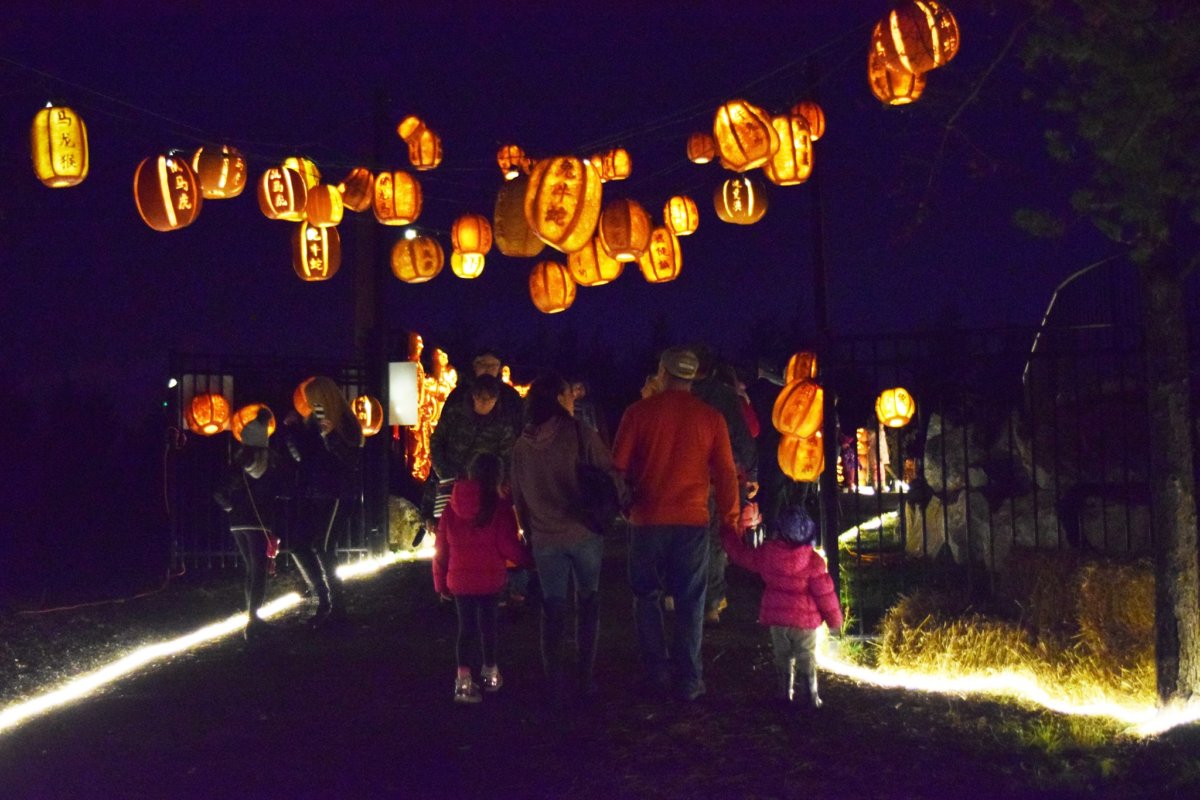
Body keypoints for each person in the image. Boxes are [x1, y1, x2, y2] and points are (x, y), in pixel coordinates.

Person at [611, 347, 740, 702]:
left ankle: (656, 672)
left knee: (646, 596)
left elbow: (617, 469)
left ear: (663, 373)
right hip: (692, 520)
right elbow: (726, 473)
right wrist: (730, 519)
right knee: (691, 599)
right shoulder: (711, 418)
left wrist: (623, 506)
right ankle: (689, 678)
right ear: (692, 378)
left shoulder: (637, 413)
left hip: (646, 519)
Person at [510, 372, 623, 706]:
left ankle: (553, 679)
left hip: (545, 538)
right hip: (584, 532)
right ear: (559, 398)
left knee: (552, 608)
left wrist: (529, 531)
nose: (573, 398)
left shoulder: (520, 446)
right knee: (588, 602)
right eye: (568, 394)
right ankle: (585, 677)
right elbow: (607, 470)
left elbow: (518, 496)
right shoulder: (578, 433)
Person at [721, 503, 843, 709]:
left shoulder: (767, 554)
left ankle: (784, 692)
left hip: (777, 619)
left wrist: (728, 535)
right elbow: (825, 594)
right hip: (805, 621)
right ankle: (811, 695)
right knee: (806, 656)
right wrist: (834, 620)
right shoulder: (813, 561)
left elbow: (742, 556)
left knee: (782, 656)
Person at [432, 452, 532, 704]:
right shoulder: (499, 509)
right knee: (489, 626)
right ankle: (490, 673)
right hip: (489, 580)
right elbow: (508, 546)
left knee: (465, 629)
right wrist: (530, 559)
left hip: (460, 582)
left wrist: (440, 583)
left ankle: (463, 681)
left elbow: (441, 549)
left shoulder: (451, 508)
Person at [284, 376, 363, 627]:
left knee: (325, 546)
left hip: (339, 492)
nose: (308, 403)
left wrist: (331, 436)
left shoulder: (346, 422)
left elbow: (351, 459)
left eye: (313, 399)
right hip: (315, 491)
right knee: (299, 543)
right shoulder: (311, 423)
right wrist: (292, 430)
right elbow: (304, 457)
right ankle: (323, 598)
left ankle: (337, 606)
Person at [691, 345, 759, 626]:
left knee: (689, 537)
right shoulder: (724, 396)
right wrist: (752, 470)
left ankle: (684, 595)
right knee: (716, 539)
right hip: (720, 473)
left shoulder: (680, 395)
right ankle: (711, 604)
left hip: (687, 474)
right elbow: (742, 435)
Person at [213, 407, 288, 641]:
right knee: (260, 571)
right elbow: (279, 491)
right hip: (259, 522)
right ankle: (254, 620)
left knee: (251, 570)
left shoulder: (236, 464)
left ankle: (252, 615)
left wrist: (231, 508)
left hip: (238, 523)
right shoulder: (269, 464)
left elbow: (217, 491)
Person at [441, 348, 525, 439]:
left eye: (493, 365)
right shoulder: (459, 394)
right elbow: (442, 431)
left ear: (499, 368)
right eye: (482, 364)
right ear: (474, 366)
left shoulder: (510, 397)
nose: (487, 369)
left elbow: (519, 429)